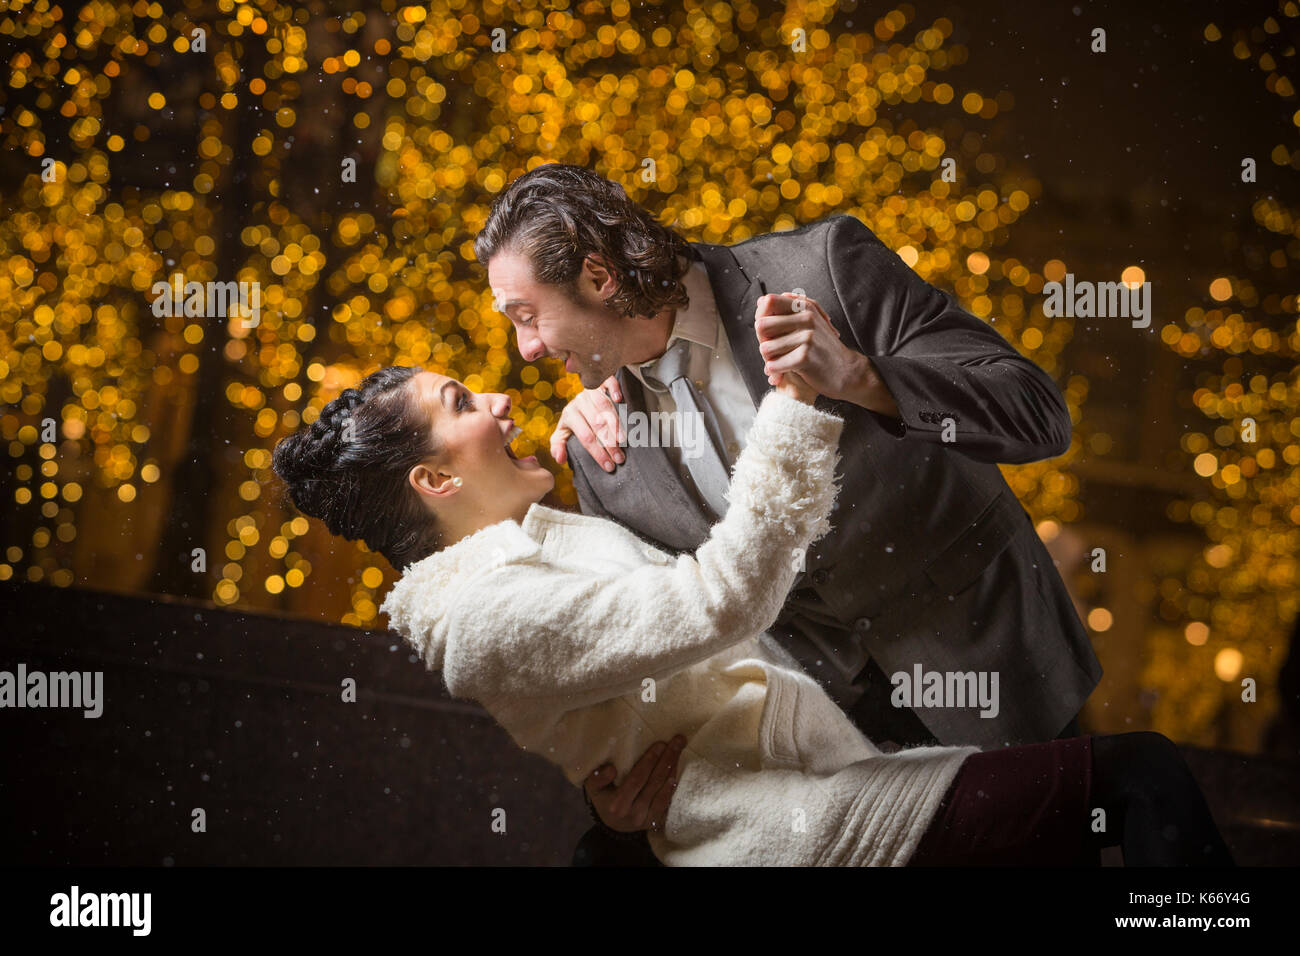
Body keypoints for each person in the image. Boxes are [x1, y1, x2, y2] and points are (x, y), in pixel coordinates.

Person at [270, 362, 1234, 866]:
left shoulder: (519, 551)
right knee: (1140, 781)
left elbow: (625, 635)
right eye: (462, 401)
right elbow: (715, 599)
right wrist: (794, 399)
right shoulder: (483, 617)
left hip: (817, 785)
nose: (501, 394)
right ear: (436, 478)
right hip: (791, 833)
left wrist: (604, 425)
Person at [472, 162, 1104, 861]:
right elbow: (649, 650)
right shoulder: (598, 449)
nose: (525, 350)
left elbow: (1039, 415)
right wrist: (607, 792)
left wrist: (863, 378)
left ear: (598, 276)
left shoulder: (826, 264)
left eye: (527, 317)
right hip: (834, 773)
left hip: (996, 679)